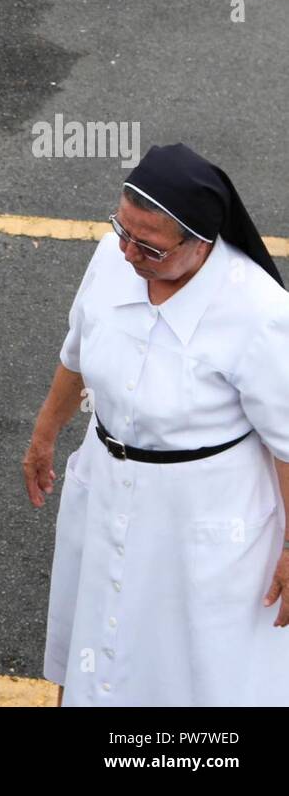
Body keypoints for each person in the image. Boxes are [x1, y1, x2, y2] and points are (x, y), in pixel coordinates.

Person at [24, 143, 289, 706]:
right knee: (98, 636)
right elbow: (76, 355)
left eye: (150, 246)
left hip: (204, 517)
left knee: (195, 664)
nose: (128, 253)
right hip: (107, 487)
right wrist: (44, 436)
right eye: (122, 230)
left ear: (202, 244)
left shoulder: (259, 314)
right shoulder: (111, 258)